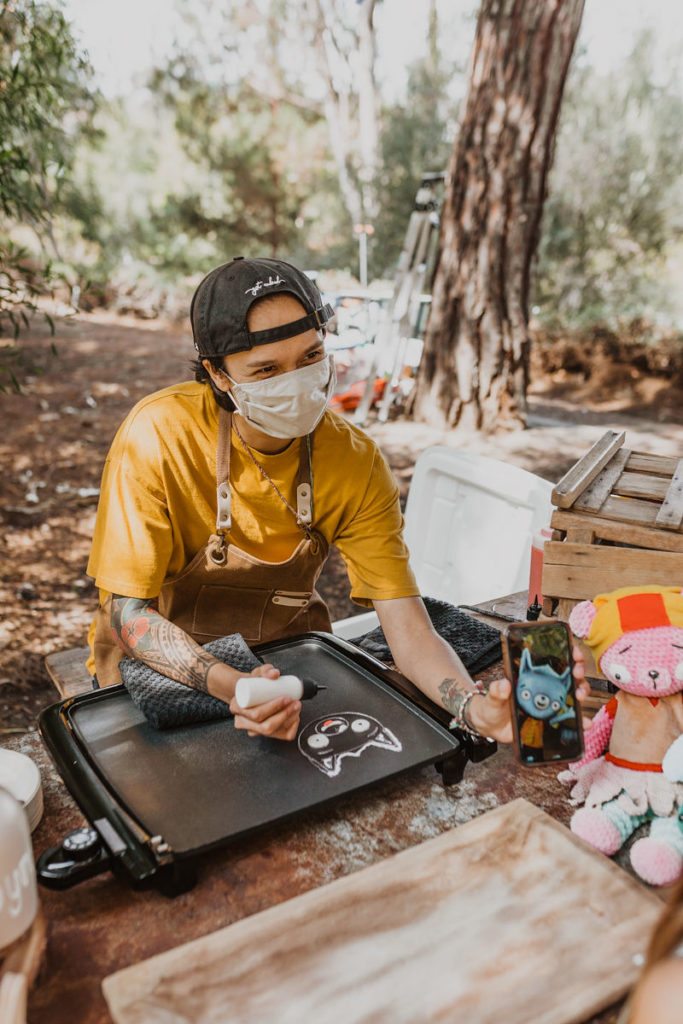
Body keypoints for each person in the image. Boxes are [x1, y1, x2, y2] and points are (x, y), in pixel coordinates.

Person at [86, 255, 589, 742]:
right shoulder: (157, 436)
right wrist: (235, 686)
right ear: (217, 374)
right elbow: (129, 615)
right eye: (265, 371)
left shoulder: (354, 461)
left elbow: (408, 631)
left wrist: (473, 709)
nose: (296, 383)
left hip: (287, 666)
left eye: (310, 357)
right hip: (157, 678)